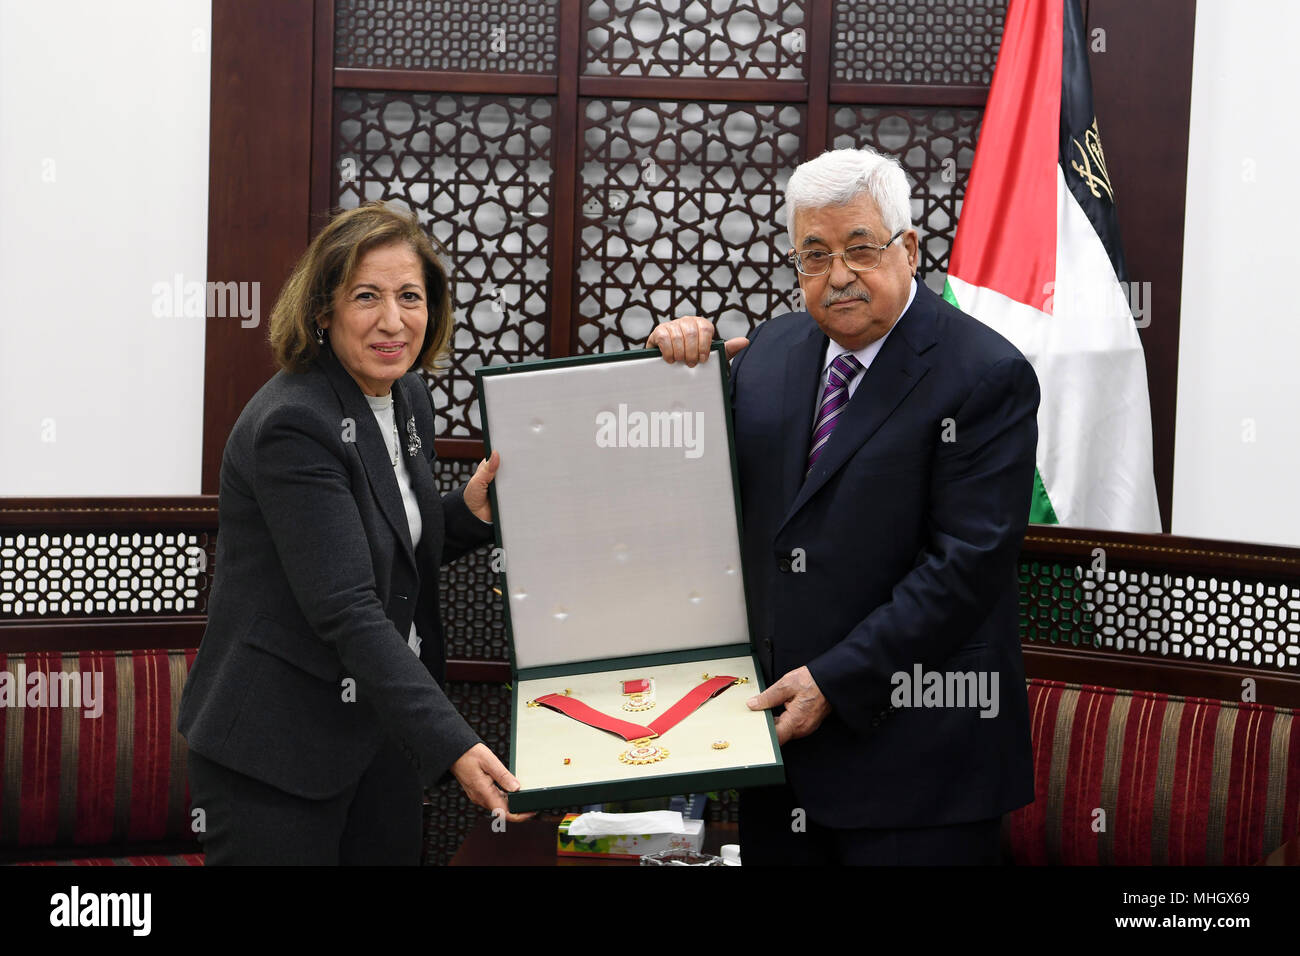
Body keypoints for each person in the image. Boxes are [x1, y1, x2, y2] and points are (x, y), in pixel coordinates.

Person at [648, 147, 1040, 865]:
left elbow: (966, 567)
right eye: (814, 255)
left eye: (861, 249)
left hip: (922, 772)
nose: (838, 277)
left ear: (909, 247)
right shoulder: (767, 352)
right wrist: (679, 374)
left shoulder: (986, 375)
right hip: (780, 758)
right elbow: (702, 502)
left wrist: (835, 678)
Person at [179, 201, 530, 865]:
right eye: (366, 296)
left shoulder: (405, 398)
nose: (393, 321)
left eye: (410, 297)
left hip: (375, 738)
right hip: (275, 752)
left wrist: (467, 515)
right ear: (321, 310)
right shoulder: (295, 425)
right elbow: (346, 605)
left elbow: (383, 541)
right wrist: (452, 741)